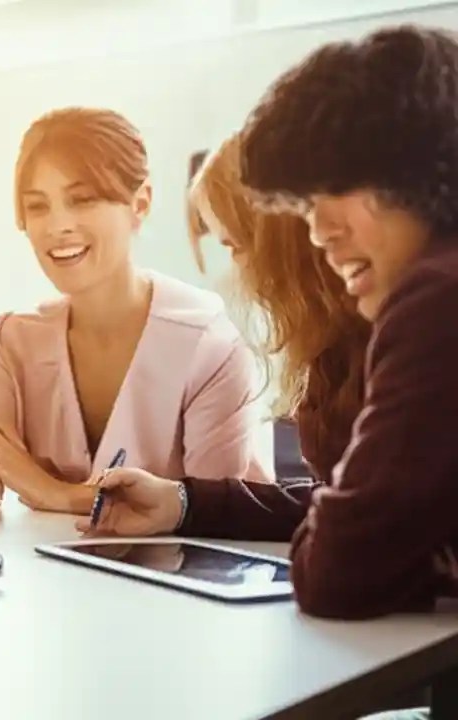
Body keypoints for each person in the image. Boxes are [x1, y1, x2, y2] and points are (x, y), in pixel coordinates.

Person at [86, 25, 458, 621]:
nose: (320, 233)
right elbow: (357, 509)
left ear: (425, 166)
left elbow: (335, 574)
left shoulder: (436, 299)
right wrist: (185, 503)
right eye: (307, 206)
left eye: (340, 188)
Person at [0, 107, 270, 542]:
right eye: (37, 206)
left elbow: (209, 508)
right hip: (64, 573)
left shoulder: (207, 342)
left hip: (201, 575)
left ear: (140, 203)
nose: (58, 226)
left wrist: (56, 493)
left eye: (82, 200)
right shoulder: (17, 338)